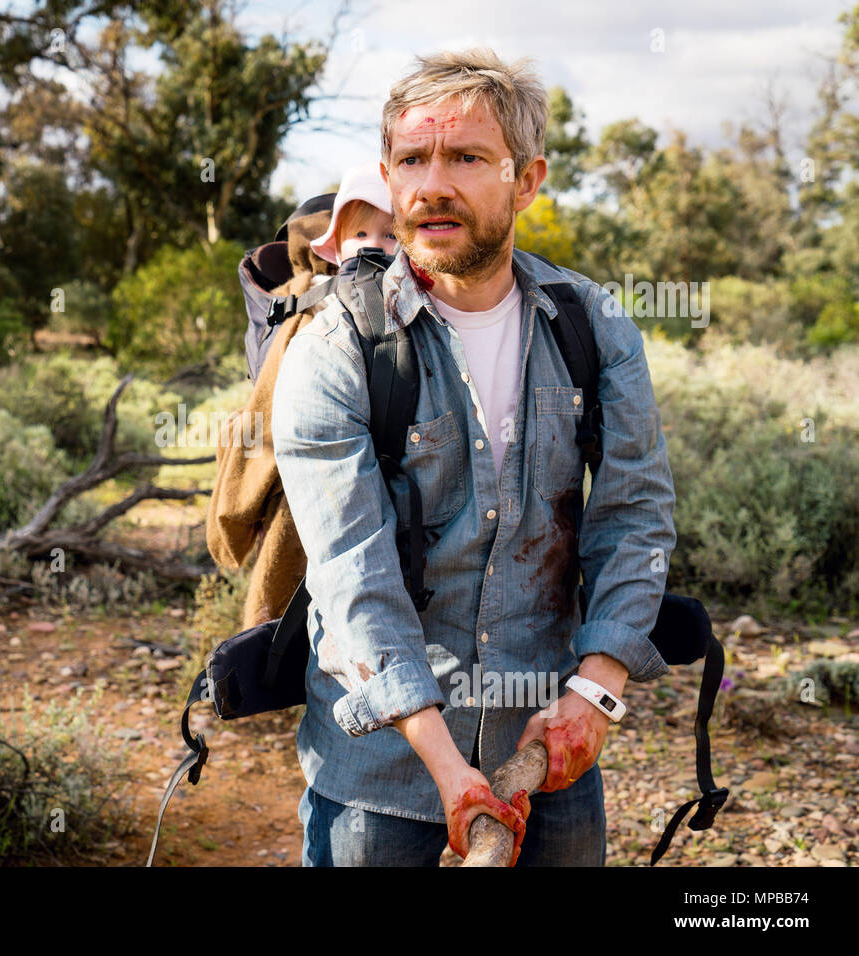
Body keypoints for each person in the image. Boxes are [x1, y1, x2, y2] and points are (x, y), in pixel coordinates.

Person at [271, 48, 676, 867]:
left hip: (550, 764)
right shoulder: (338, 346)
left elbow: (633, 516)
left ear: (526, 179)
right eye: (412, 160)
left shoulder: (591, 325)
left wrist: (593, 695)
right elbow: (355, 573)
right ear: (387, 176)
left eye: (464, 157)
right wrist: (448, 768)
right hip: (379, 777)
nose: (432, 185)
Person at [207, 163, 398, 628]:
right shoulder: (310, 309)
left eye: (390, 235)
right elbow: (269, 414)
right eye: (360, 234)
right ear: (333, 247)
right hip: (316, 482)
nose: (375, 245)